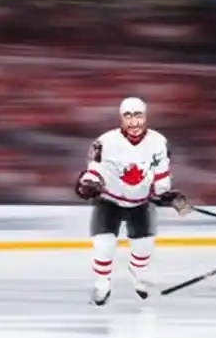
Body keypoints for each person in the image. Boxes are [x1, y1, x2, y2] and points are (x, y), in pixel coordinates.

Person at [74, 97, 186, 304]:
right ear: (121, 118)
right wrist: (88, 184)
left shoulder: (159, 142)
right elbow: (93, 172)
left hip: (140, 203)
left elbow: (161, 176)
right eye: (128, 116)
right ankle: (102, 284)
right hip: (109, 201)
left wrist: (166, 194)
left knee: (144, 248)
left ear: (145, 116)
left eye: (138, 115)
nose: (134, 122)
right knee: (103, 245)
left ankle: (138, 276)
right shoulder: (104, 142)